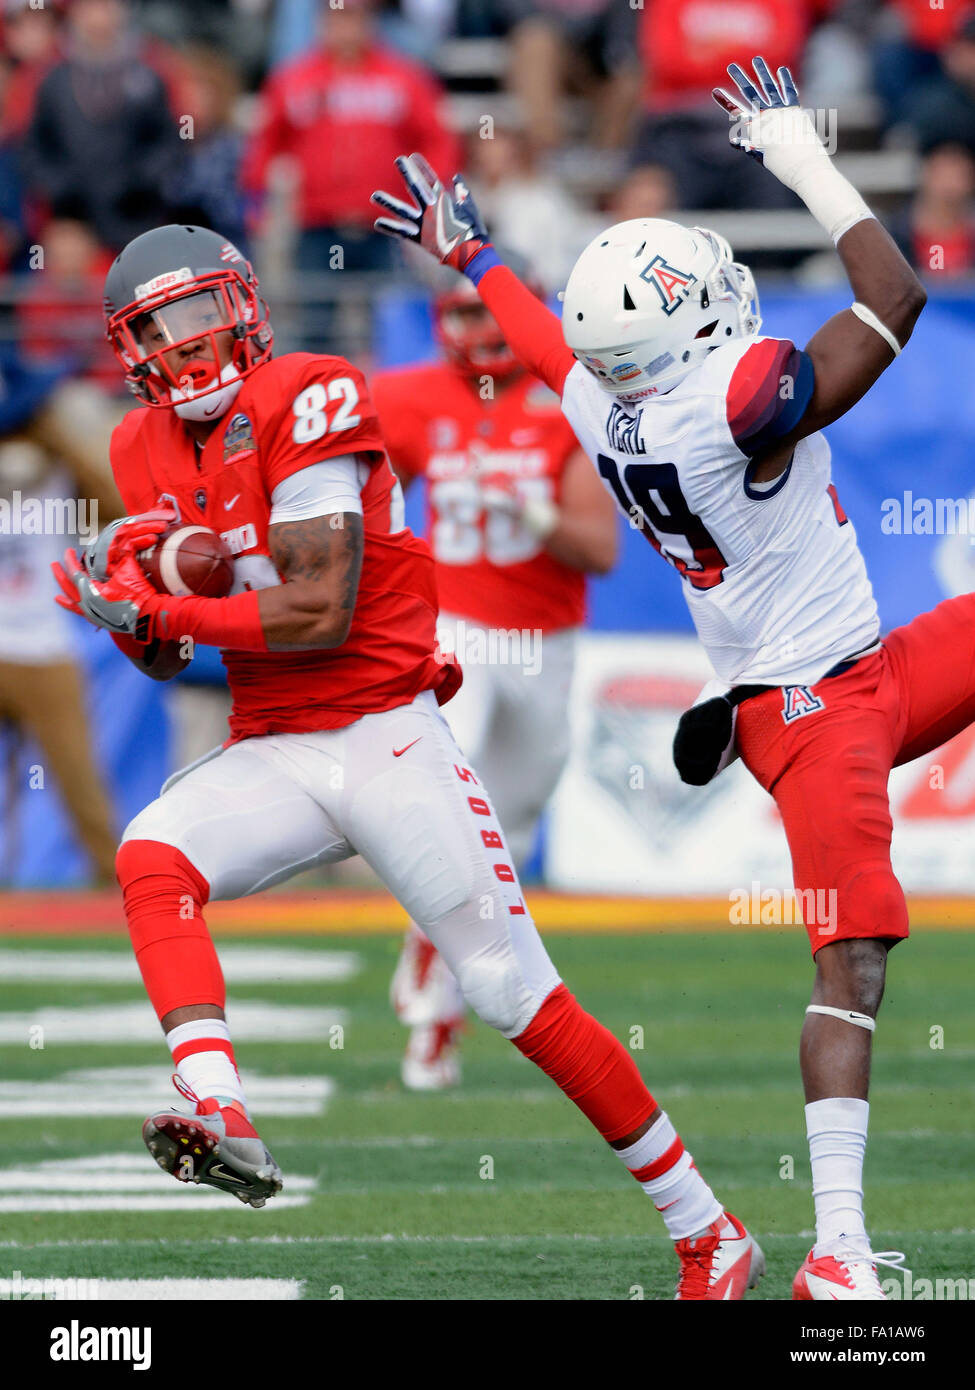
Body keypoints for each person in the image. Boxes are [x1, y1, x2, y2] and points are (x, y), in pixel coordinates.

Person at [52, 222, 762, 1299]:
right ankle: (223, 1113)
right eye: (159, 328)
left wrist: (167, 602)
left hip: (385, 731)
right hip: (277, 747)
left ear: (245, 307)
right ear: (129, 346)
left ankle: (708, 1228)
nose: (186, 345)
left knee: (511, 993)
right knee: (153, 855)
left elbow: (316, 610)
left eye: (200, 313)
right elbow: (168, 655)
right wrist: (131, 619)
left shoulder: (313, 389)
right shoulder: (137, 447)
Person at [372, 54, 935, 1301]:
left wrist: (473, 260)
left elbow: (534, 339)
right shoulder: (728, 398)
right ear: (682, 330)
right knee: (852, 966)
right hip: (814, 703)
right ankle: (839, 1253)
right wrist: (797, 153)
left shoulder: (601, 402)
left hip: (855, 664)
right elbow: (894, 293)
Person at [372, 271, 617, 1089]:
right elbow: (348, 485)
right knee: (456, 792)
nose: (477, 326)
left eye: (489, 308)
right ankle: (423, 966)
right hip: (458, 628)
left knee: (507, 834)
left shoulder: (564, 401)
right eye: (462, 311)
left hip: (545, 640)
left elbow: (601, 549)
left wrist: (535, 512)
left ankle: (437, 1012)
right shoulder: (410, 396)